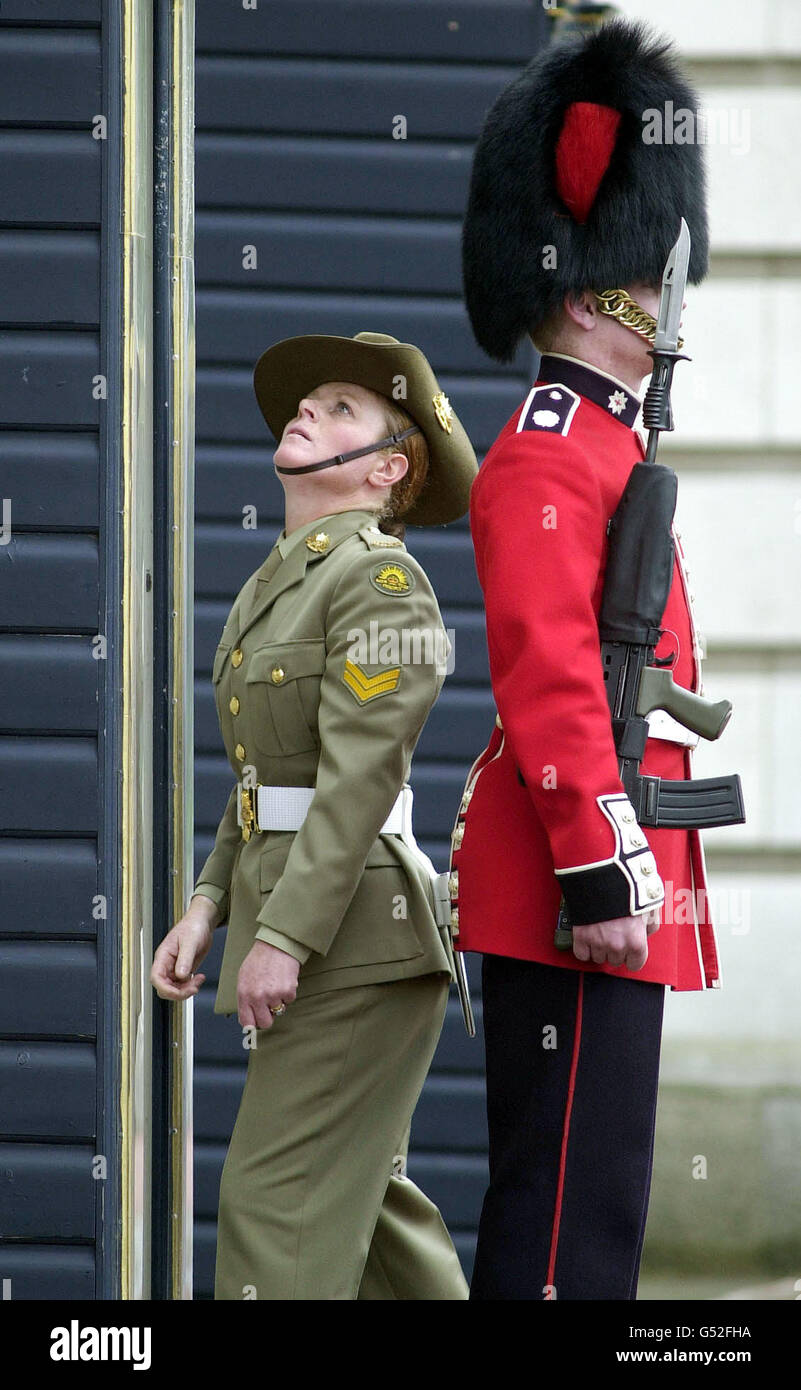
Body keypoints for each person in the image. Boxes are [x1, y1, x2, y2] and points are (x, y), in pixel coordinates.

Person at [451, 18, 734, 1299]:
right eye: (651, 276)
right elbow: (552, 673)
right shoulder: (548, 453)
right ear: (591, 288)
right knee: (563, 1227)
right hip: (582, 896)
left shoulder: (608, 454)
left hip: (614, 884)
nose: (671, 305)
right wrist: (605, 869)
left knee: (599, 1212)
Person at [150, 330, 478, 1300]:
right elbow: (267, 777)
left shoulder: (380, 580)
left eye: (342, 408)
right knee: (366, 1212)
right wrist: (210, 903)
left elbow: (359, 780)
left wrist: (283, 936)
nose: (307, 410)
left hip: (353, 938)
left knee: (275, 1204)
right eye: (309, 401)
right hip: (320, 924)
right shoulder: (278, 581)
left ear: (385, 468)